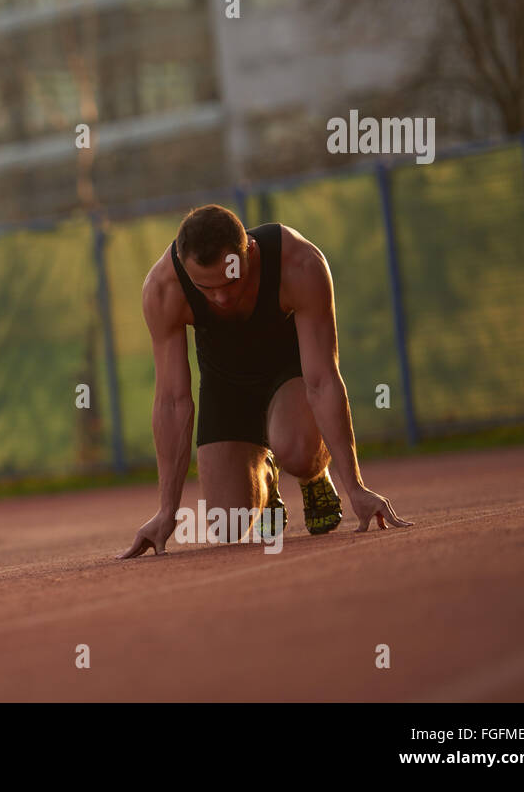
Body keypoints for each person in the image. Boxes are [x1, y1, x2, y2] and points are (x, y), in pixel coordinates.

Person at [117, 205, 411, 559]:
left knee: (298, 452)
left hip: (289, 372)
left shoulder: (299, 264)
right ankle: (266, 474)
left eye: (231, 280)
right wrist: (167, 511)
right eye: (205, 287)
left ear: (250, 250)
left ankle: (313, 476)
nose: (221, 297)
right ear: (183, 266)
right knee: (226, 525)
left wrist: (357, 488)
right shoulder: (164, 287)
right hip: (226, 383)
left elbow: (322, 379)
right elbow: (172, 401)